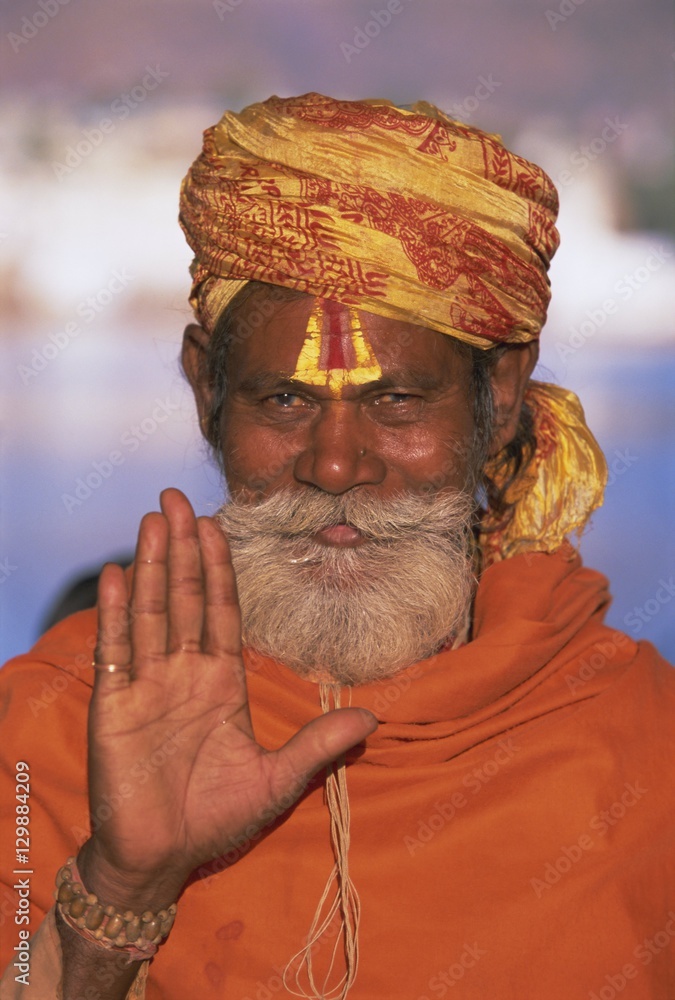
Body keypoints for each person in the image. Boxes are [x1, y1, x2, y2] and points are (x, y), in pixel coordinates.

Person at [1, 93, 673, 1000]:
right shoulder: (47, 728)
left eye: (396, 402)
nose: (333, 464)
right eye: (284, 401)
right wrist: (122, 888)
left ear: (501, 395)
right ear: (206, 388)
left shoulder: (638, 746)